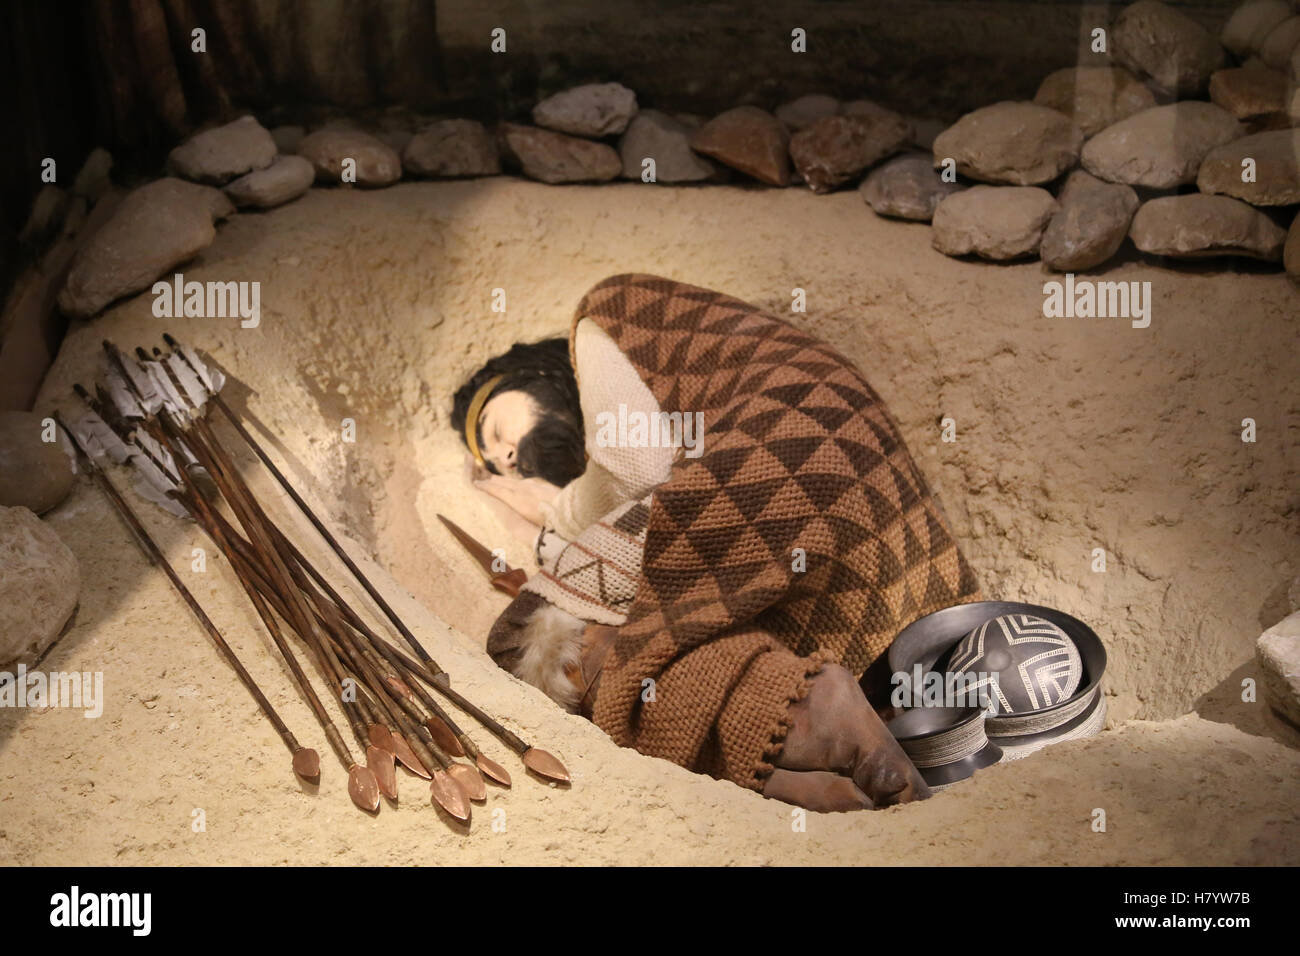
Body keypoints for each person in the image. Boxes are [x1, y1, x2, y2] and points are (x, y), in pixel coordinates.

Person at [452, 275, 979, 811]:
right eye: (498, 464)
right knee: (677, 628)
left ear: (532, 376)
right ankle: (816, 711)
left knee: (527, 636)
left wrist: (554, 517)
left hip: (779, 456)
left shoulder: (605, 310)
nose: (509, 459)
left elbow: (637, 465)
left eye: (497, 431)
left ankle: (778, 749)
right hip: (863, 494)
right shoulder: (677, 348)